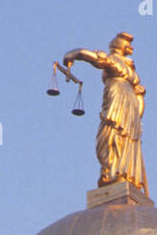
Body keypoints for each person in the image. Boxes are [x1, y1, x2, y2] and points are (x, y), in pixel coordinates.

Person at [62, 33, 148, 195]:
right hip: (116, 99)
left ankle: (121, 173)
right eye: (128, 45)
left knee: (122, 136)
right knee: (110, 135)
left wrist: (137, 118)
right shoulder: (115, 61)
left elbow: (139, 95)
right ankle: (111, 171)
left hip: (127, 105)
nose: (131, 48)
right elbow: (95, 58)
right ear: (120, 46)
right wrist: (74, 54)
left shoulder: (128, 70)